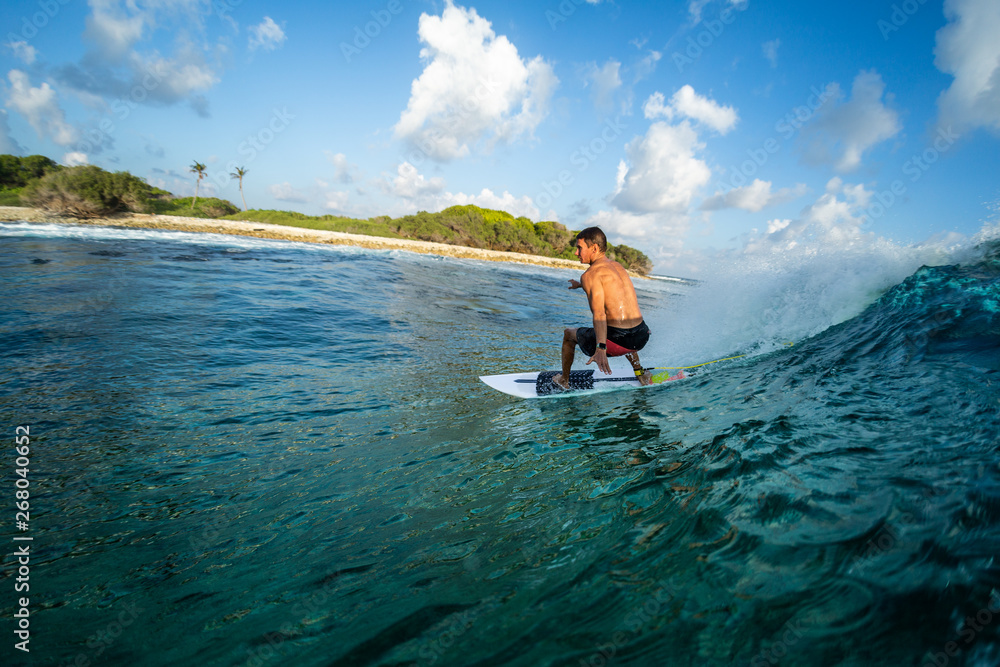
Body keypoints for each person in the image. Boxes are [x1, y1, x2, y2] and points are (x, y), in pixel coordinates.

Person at [552, 227, 652, 390]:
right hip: (641, 336)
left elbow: (599, 314)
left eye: (579, 248)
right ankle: (640, 373)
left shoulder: (590, 275)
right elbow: (612, 293)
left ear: (595, 248)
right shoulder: (617, 266)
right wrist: (581, 285)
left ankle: (564, 380)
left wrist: (601, 348)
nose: (576, 253)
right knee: (623, 322)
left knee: (568, 334)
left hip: (618, 342)